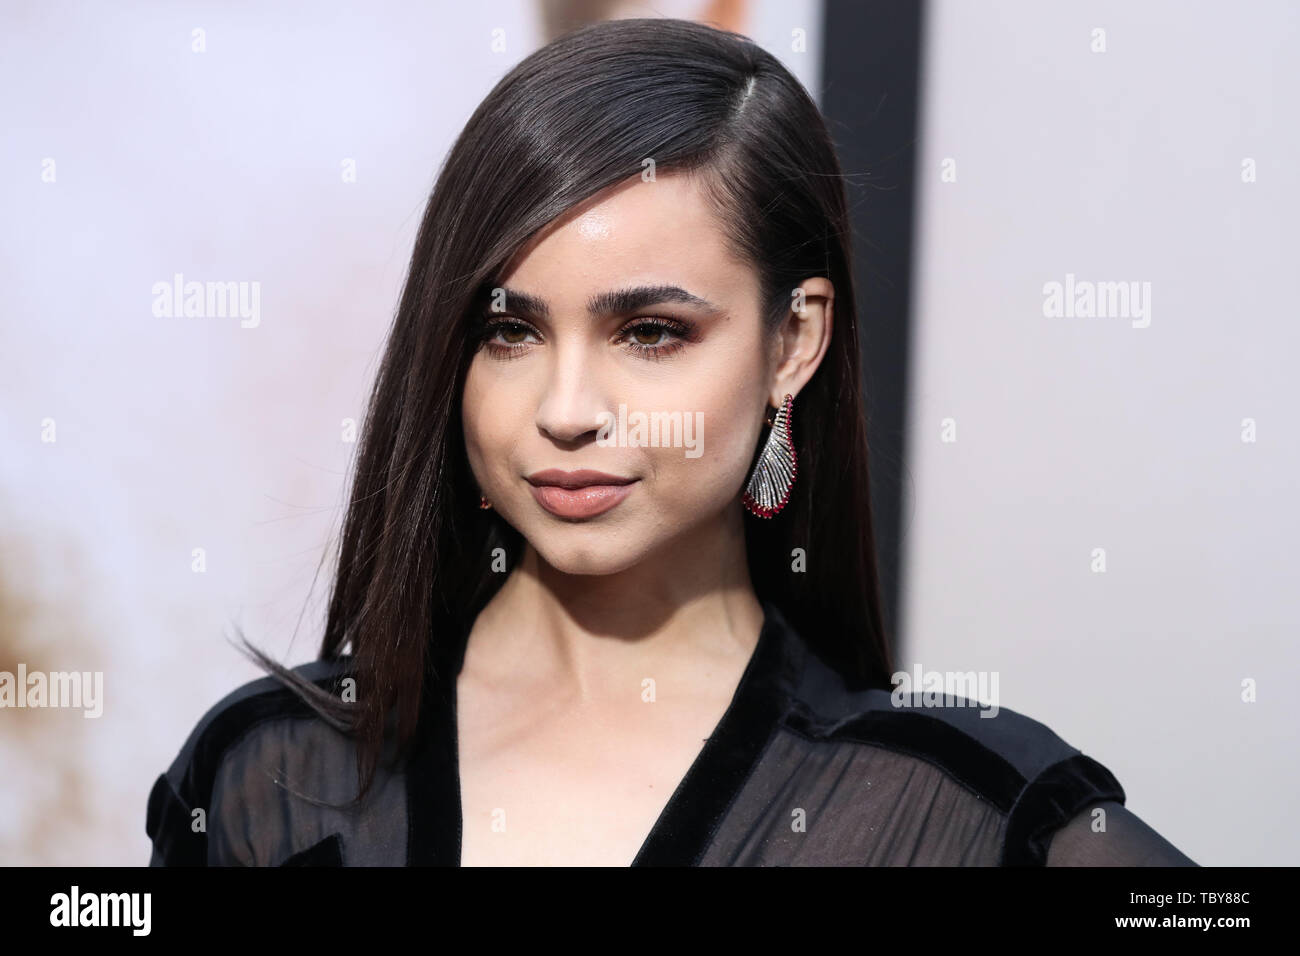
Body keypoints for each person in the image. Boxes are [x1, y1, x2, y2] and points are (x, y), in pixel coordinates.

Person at [145, 17, 1195, 867]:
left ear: (793, 341)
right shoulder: (267, 774)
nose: (566, 407)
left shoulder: (958, 806)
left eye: (649, 332)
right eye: (510, 330)